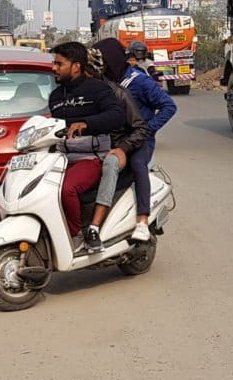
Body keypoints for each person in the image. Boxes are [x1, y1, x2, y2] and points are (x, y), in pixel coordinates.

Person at [47, 41, 129, 251]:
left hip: (91, 157)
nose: (53, 68)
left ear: (76, 66)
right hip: (60, 158)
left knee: (68, 190)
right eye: (54, 63)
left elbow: (117, 116)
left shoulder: (98, 89)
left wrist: (88, 124)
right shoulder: (55, 96)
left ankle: (76, 236)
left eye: (59, 64)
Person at [93, 37, 176, 242]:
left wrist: (149, 129)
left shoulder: (140, 81)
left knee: (138, 164)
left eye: (101, 61)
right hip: (115, 139)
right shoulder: (107, 83)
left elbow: (169, 106)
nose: (99, 66)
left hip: (140, 139)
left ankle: (142, 220)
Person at [83, 47, 150, 246]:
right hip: (86, 149)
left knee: (112, 164)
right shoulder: (74, 95)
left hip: (119, 149)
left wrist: (123, 147)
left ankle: (95, 226)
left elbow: (140, 127)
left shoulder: (119, 94)